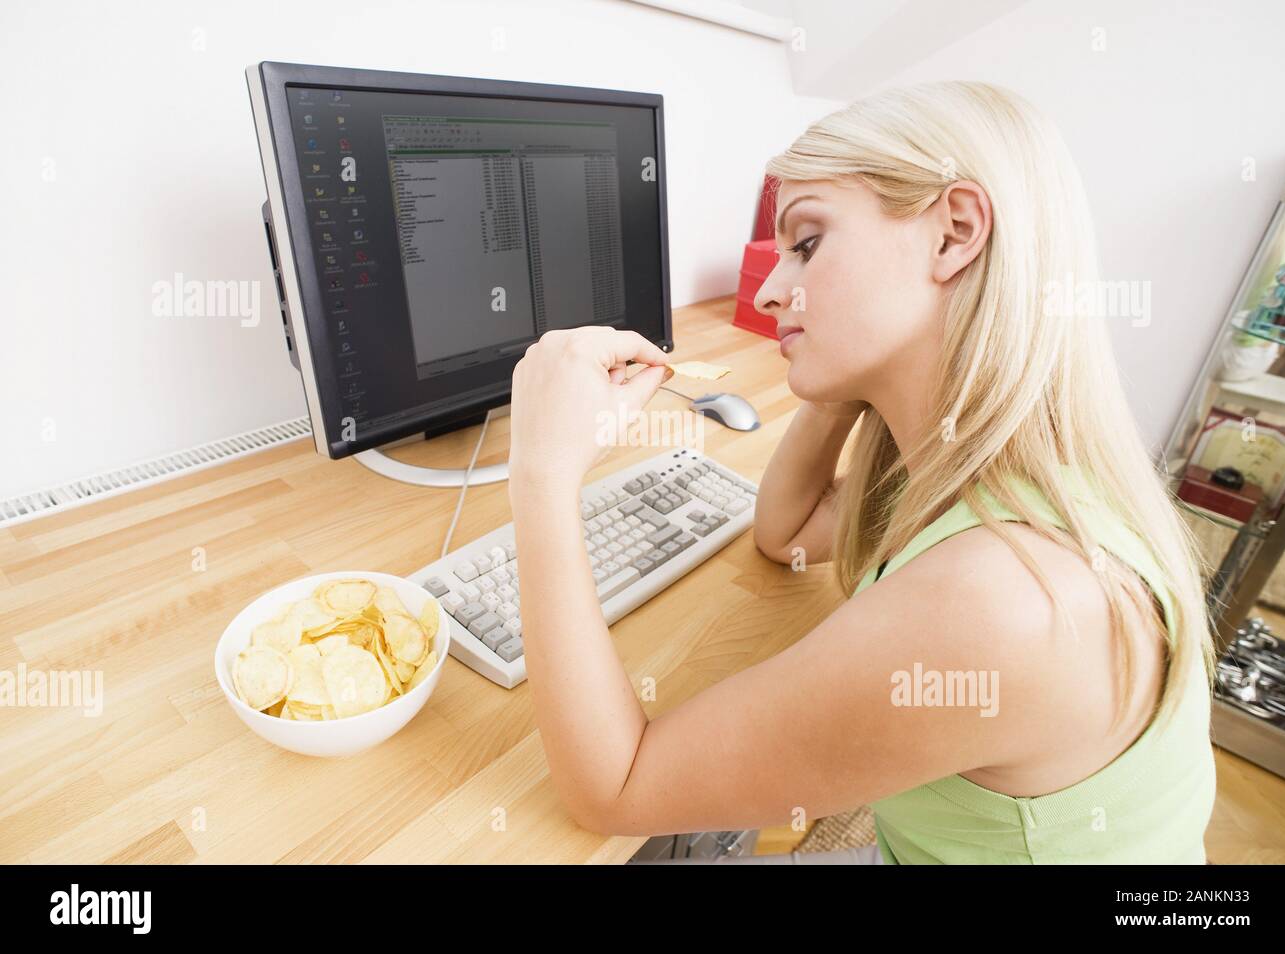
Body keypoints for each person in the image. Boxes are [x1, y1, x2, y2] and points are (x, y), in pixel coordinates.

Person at [505, 80, 1217, 864]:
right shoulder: (999, 471)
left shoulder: (1005, 603)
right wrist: (846, 371)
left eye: (806, 244)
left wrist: (540, 472)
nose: (772, 291)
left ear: (954, 233)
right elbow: (788, 535)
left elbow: (613, 789)